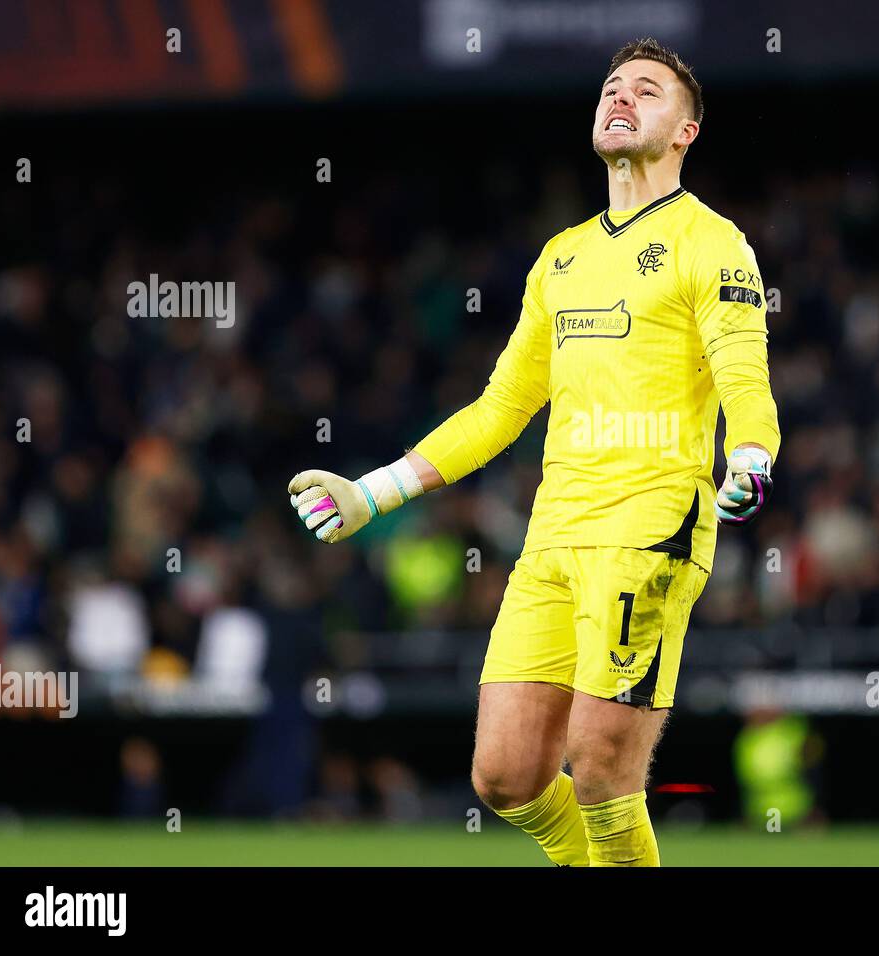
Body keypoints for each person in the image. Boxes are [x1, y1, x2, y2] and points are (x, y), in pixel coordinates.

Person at [287, 37, 779, 866]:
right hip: (552, 538)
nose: (621, 98)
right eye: (612, 87)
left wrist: (752, 457)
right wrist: (373, 493)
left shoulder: (713, 243)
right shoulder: (562, 256)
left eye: (647, 92)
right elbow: (500, 408)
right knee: (505, 777)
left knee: (599, 768)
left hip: (650, 526)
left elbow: (744, 375)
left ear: (686, 131)